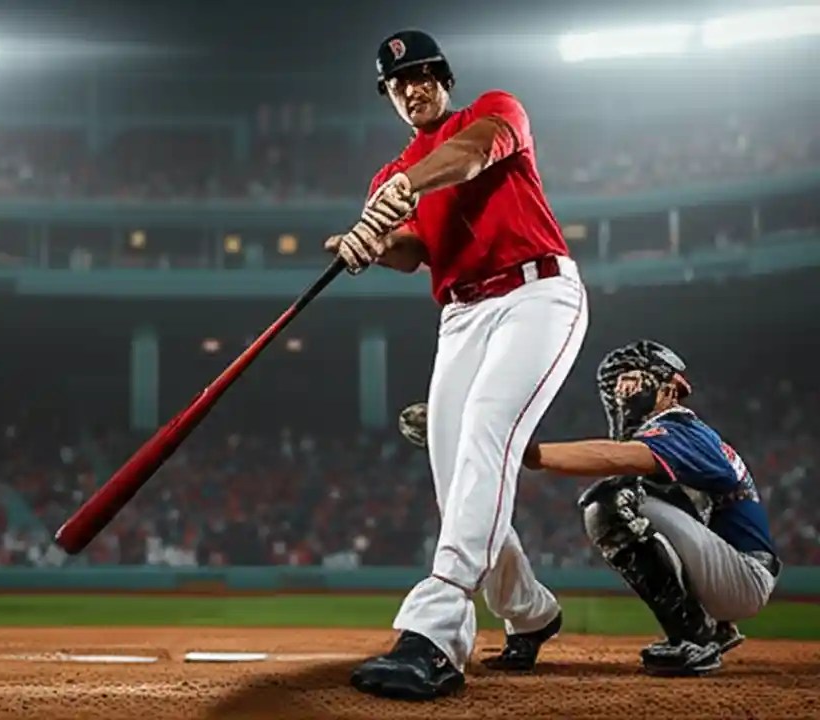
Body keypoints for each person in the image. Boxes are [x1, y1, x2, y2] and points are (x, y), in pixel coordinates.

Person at [323, 29, 588, 701]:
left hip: (536, 293)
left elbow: (471, 158)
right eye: (397, 83)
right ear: (388, 96)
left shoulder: (493, 110)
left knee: (485, 437)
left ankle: (435, 633)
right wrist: (368, 244)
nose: (411, 88)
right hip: (462, 315)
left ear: (444, 78)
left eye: (422, 74)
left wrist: (404, 187)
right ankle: (530, 610)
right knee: (457, 483)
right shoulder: (388, 177)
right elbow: (411, 251)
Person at [522, 340, 779, 676]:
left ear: (668, 391)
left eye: (631, 380)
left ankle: (695, 636)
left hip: (744, 575)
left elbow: (615, 457)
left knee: (610, 502)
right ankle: (710, 627)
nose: (620, 392)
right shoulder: (676, 433)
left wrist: (529, 453)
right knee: (629, 492)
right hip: (730, 567)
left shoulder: (680, 428)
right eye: (617, 384)